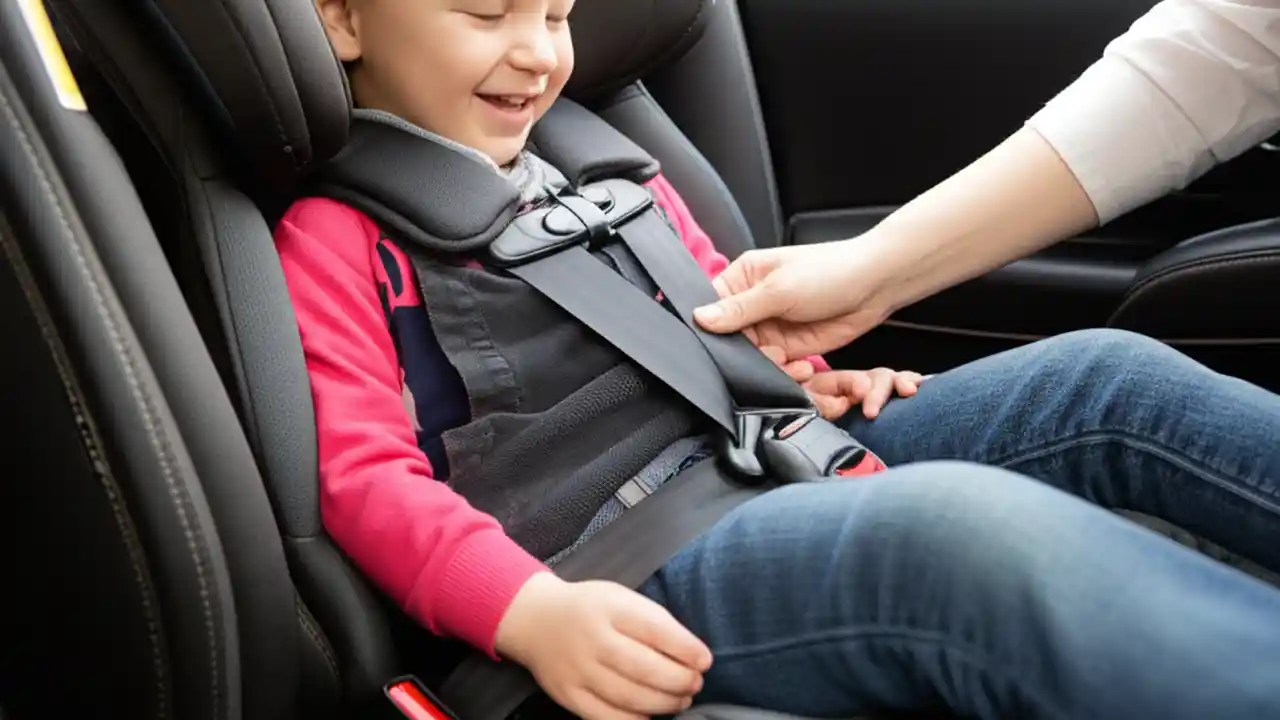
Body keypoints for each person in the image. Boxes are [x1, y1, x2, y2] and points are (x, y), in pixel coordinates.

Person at [278, 1, 1280, 719]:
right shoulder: (335, 234)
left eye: (555, 17)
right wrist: (528, 615)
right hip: (618, 564)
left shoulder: (602, 168)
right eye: (486, 14)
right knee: (948, 536)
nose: (538, 54)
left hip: (763, 452)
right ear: (341, 18)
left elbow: (715, 324)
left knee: (1103, 380)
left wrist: (799, 388)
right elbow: (364, 480)